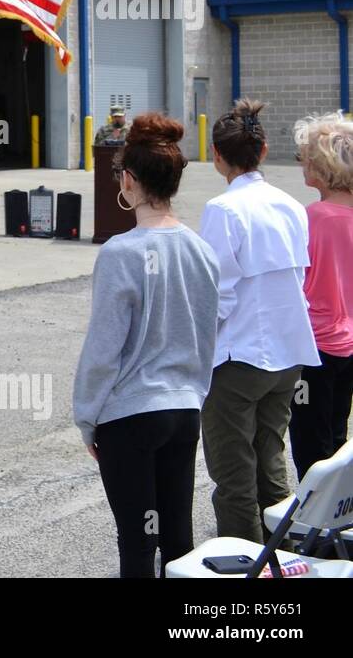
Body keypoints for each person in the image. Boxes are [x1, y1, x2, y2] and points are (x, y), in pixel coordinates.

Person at [73, 113, 219, 577]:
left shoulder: (122, 252)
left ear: (129, 181)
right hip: (184, 408)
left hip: (131, 414)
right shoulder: (201, 249)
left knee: (138, 541)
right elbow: (205, 332)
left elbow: (104, 347)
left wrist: (86, 415)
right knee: (177, 536)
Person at [198, 98, 320, 542]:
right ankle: (281, 552)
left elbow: (218, 295)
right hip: (289, 353)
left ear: (216, 156)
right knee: (270, 458)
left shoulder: (222, 210)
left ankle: (243, 565)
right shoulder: (290, 204)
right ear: (264, 151)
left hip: (239, 356)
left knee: (233, 473)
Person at [288, 112, 353, 480]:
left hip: (315, 346)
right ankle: (338, 520)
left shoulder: (312, 217)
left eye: (306, 158)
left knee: (310, 444)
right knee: (338, 434)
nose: (302, 165)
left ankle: (314, 527)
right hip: (348, 342)